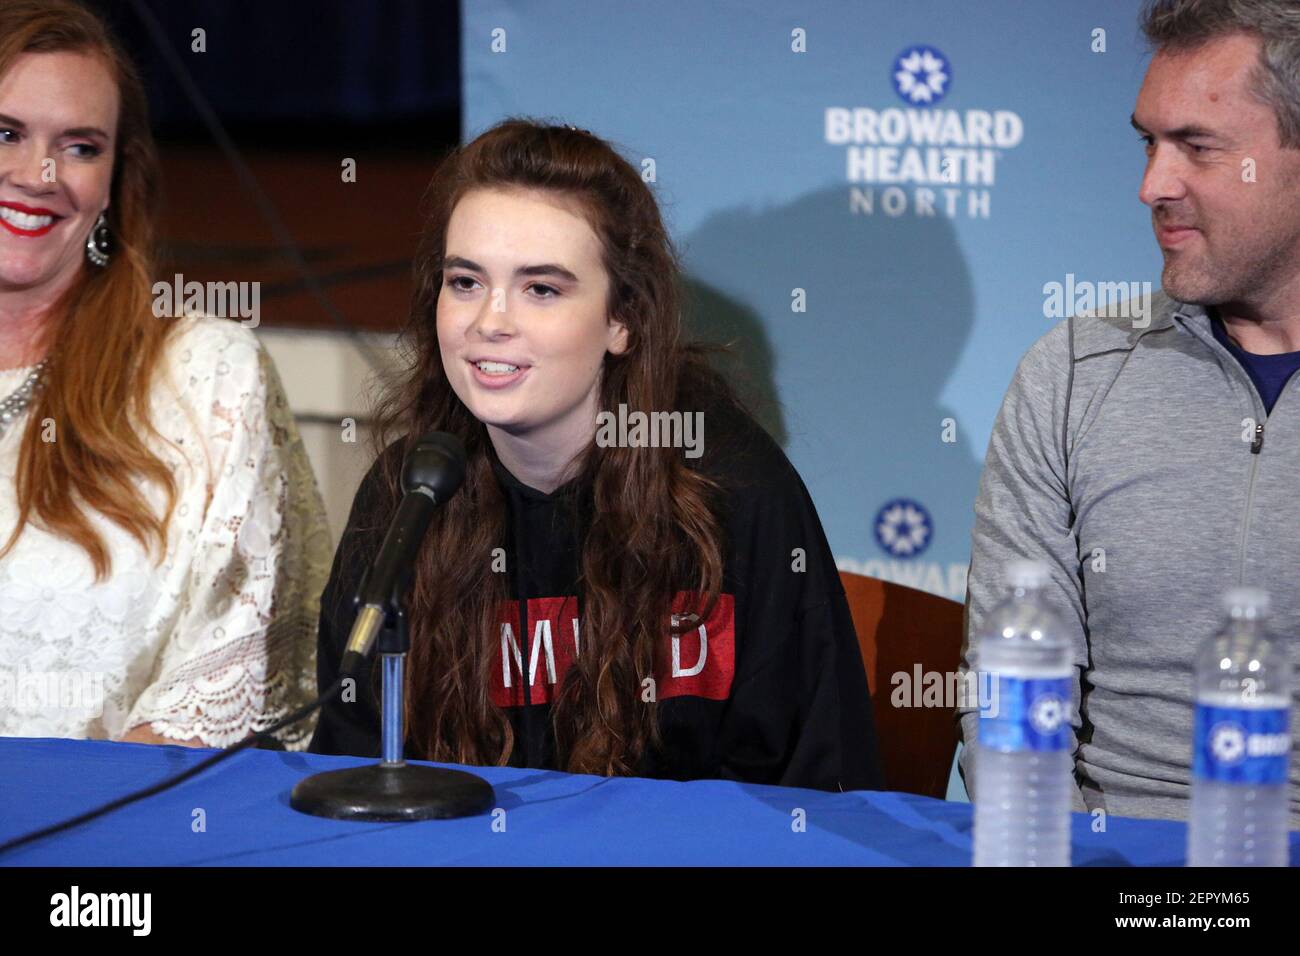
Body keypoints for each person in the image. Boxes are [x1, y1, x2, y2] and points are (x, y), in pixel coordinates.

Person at [310, 119, 884, 792]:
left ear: (623, 320)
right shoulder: (411, 492)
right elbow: (350, 769)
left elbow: (821, 784)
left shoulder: (732, 490)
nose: (489, 321)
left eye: (541, 289)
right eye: (465, 281)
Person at [958, 0, 1300, 824]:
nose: (1153, 186)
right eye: (1149, 142)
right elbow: (1010, 708)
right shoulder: (1071, 372)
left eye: (1197, 147)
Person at [0, 0, 331, 748]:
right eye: (6, 133)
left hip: (109, 839)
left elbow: (229, 683)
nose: (39, 174)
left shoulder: (208, 377)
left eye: (81, 147)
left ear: (117, 182)